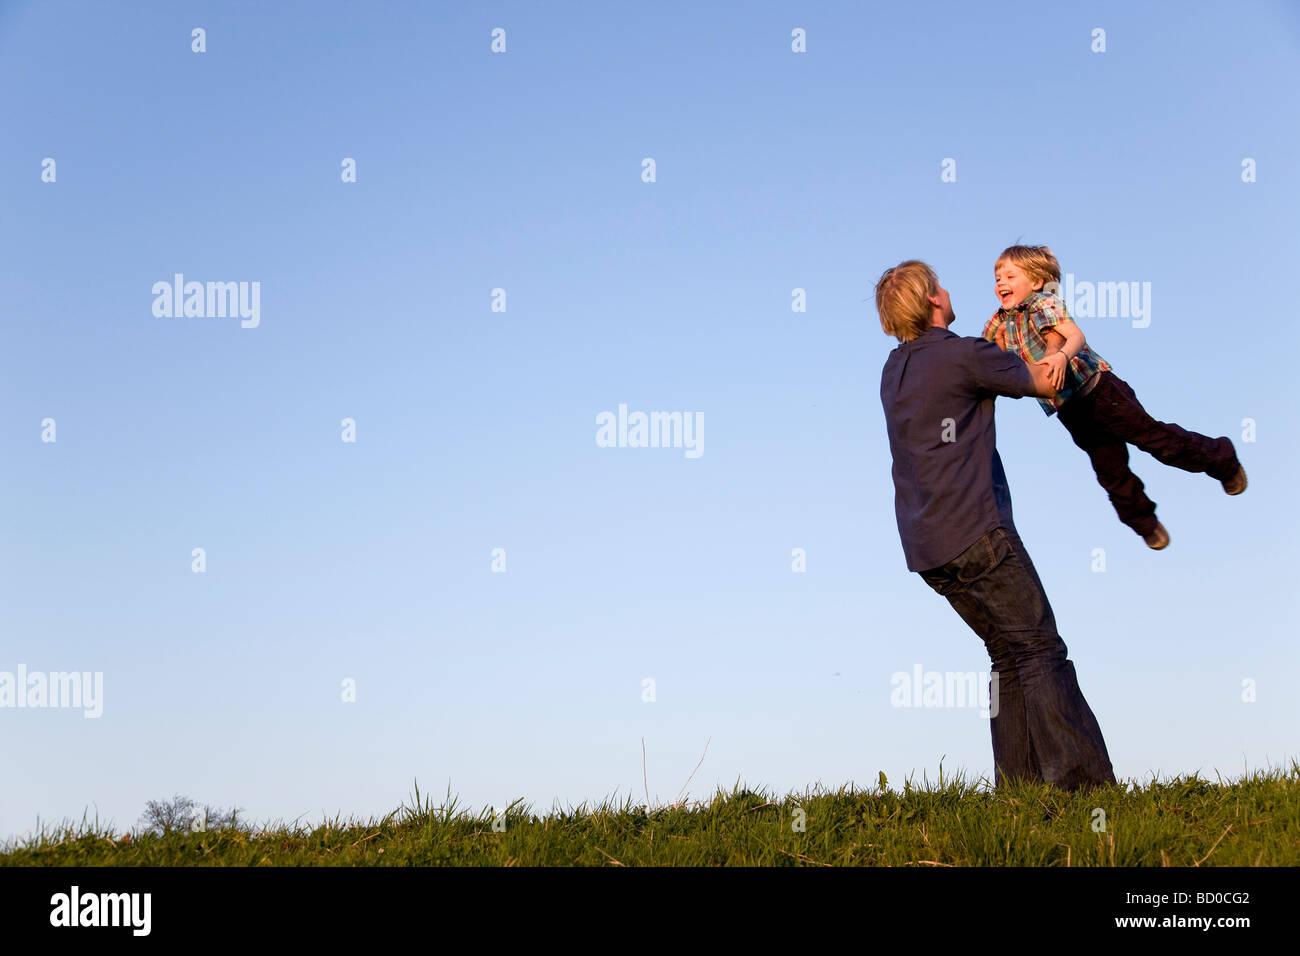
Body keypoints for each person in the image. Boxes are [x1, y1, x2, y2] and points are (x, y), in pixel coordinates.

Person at [876, 259, 1117, 792]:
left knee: (1007, 656)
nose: (948, 287)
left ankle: (1021, 792)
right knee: (1040, 650)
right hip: (979, 533)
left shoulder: (893, 371)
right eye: (940, 283)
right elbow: (1044, 379)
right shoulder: (964, 354)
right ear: (933, 301)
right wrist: (1062, 340)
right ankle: (1085, 788)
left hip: (928, 549)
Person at [983, 244, 1246, 550]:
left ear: (1037, 282)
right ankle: (1144, 523)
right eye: (997, 277)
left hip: (1101, 391)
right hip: (1072, 409)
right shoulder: (998, 322)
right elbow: (984, 357)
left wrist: (1060, 357)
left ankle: (1222, 459)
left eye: (1010, 276)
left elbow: (1076, 335)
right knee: (1110, 470)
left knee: (1157, 441)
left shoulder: (1043, 303)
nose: (1000, 283)